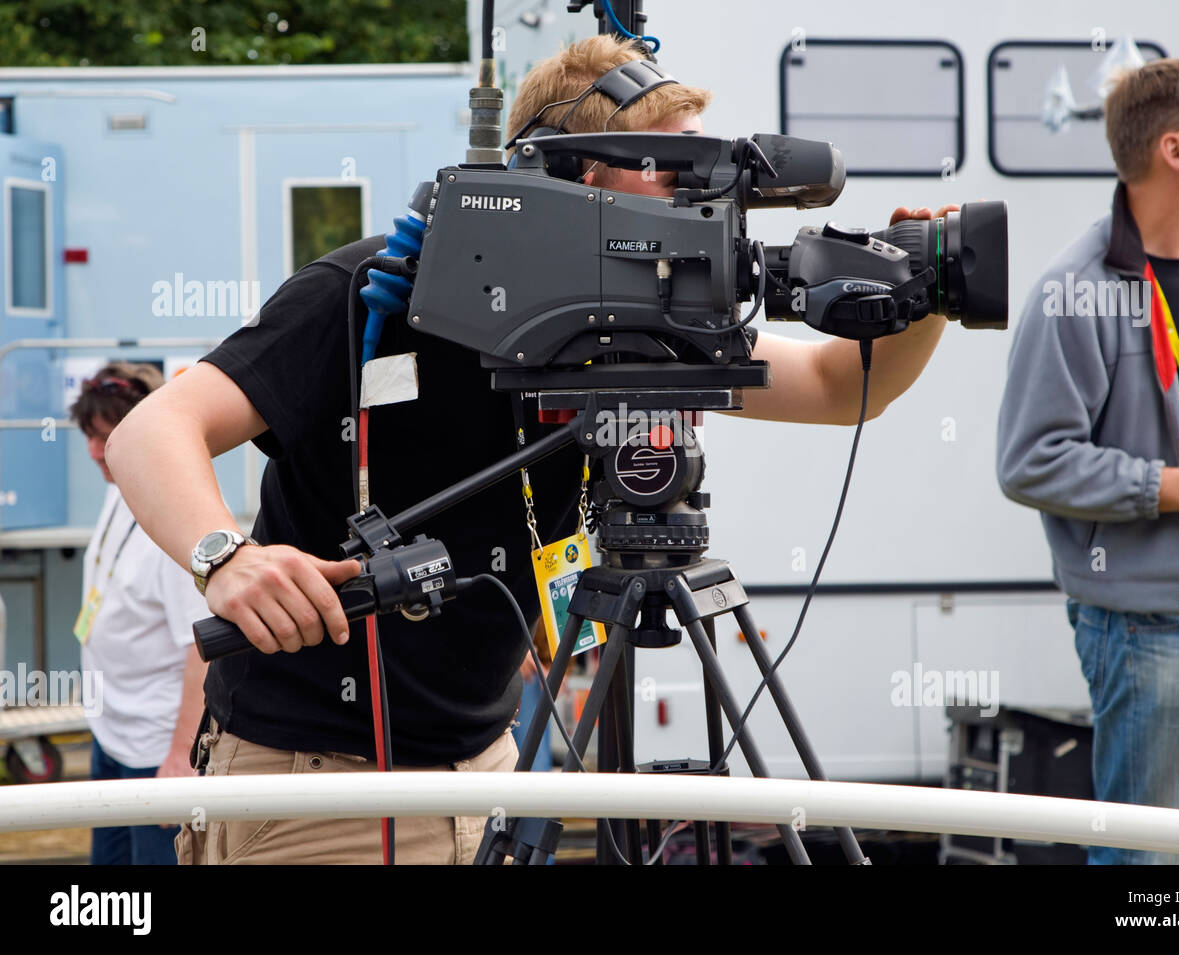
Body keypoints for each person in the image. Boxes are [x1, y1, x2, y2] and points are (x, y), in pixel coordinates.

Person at [106, 35, 958, 865]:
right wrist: (224, 556)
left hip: (487, 776)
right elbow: (153, 430)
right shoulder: (372, 296)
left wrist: (926, 298)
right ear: (573, 177)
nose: (698, 205)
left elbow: (843, 388)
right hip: (313, 794)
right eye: (669, 171)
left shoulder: (646, 320)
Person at [997, 58, 1179, 864]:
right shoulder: (1073, 288)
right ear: (1173, 149)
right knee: (1143, 862)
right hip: (1151, 618)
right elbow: (1029, 461)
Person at [71, 362, 210, 865]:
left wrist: (180, 757)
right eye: (89, 436)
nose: (93, 451)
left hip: (155, 746)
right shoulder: (119, 487)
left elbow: (202, 648)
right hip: (111, 728)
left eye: (104, 438)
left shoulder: (170, 521)